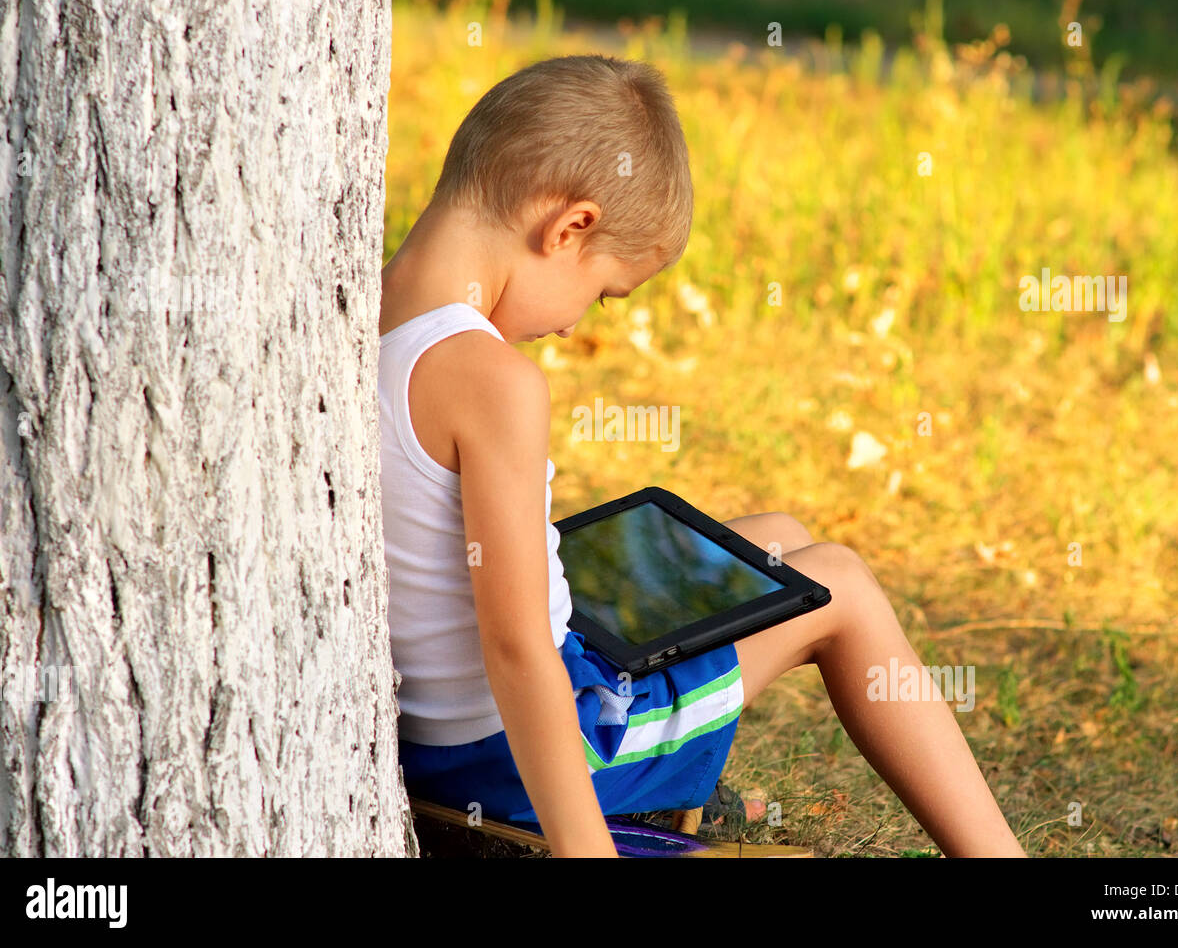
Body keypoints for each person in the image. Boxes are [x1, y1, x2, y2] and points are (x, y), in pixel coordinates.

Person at [380, 54, 1026, 858]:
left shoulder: (367, 304)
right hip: (523, 753)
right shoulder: (495, 381)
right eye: (605, 292)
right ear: (569, 227)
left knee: (781, 540)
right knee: (843, 589)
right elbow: (517, 652)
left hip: (456, 726)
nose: (579, 324)